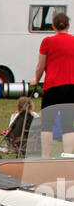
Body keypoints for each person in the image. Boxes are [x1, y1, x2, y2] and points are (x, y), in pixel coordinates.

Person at [34, 10, 74, 157]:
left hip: (52, 86)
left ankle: (46, 156)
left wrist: (36, 80)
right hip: (71, 86)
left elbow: (41, 66)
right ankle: (68, 155)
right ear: (68, 25)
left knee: (47, 124)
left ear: (54, 26)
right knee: (68, 124)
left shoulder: (47, 42)